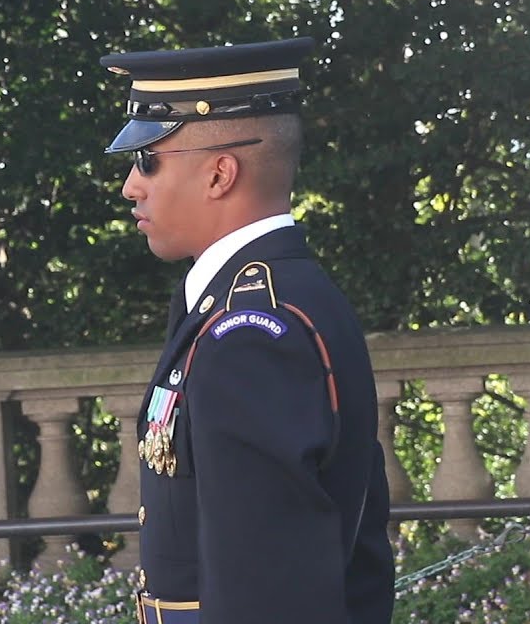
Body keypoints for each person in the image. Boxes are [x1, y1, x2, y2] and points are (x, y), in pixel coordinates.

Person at [101, 38, 395, 624]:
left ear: (219, 174)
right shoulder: (271, 299)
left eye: (148, 161)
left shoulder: (249, 333)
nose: (132, 186)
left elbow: (267, 584)